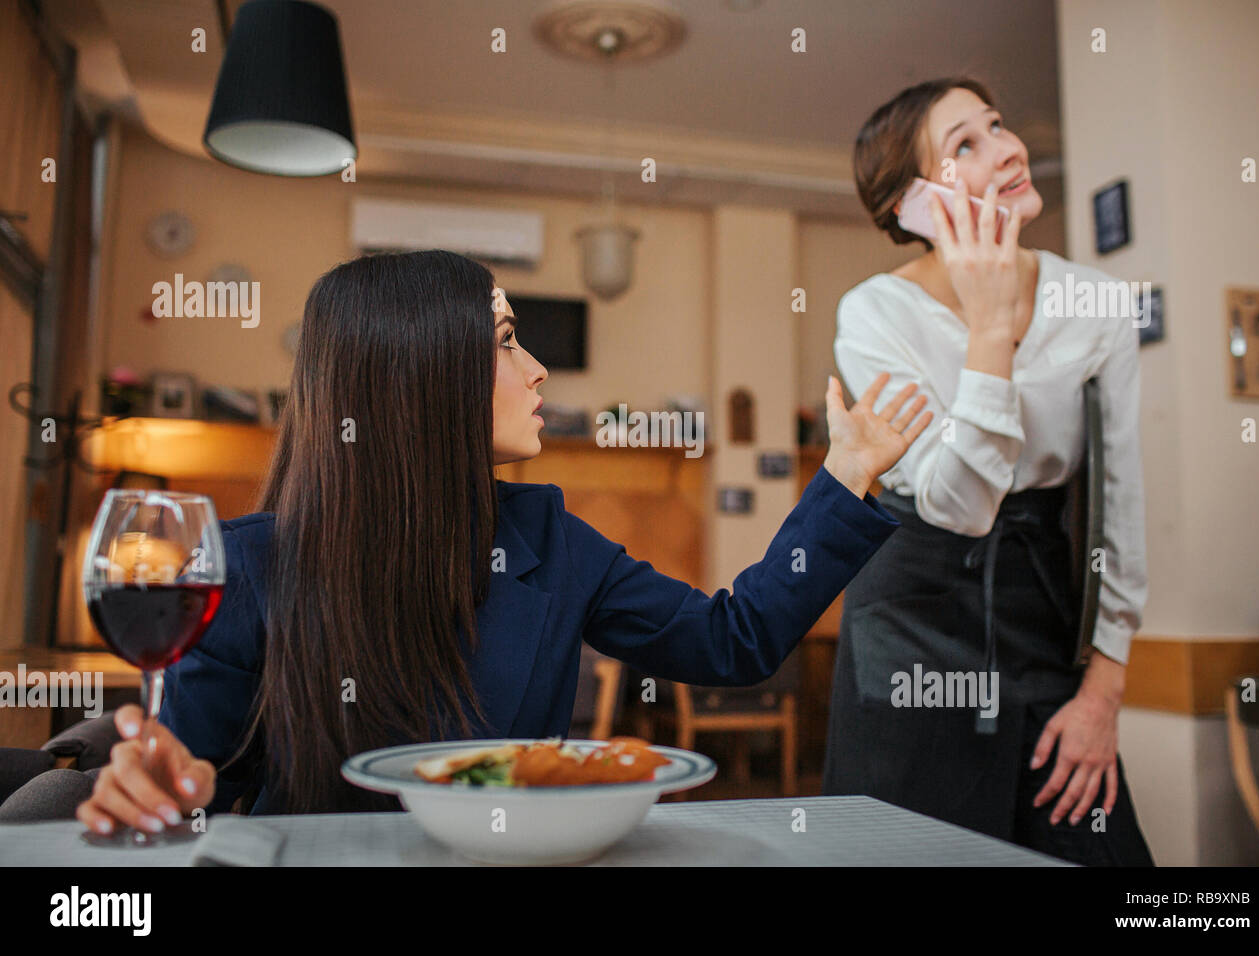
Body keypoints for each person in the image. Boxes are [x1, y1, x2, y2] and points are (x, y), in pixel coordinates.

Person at [76, 249, 933, 831]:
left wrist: (846, 472)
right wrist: (158, 793)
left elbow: (733, 639)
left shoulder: (550, 540)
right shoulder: (247, 565)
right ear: (424, 378)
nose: (537, 372)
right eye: (507, 343)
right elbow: (195, 792)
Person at [822, 78, 1155, 866]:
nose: (1008, 149)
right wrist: (991, 329)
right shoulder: (874, 315)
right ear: (913, 206)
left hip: (1041, 611)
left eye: (998, 126)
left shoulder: (1098, 303)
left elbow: (1120, 505)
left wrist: (1102, 696)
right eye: (964, 145)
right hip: (911, 621)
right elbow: (959, 505)